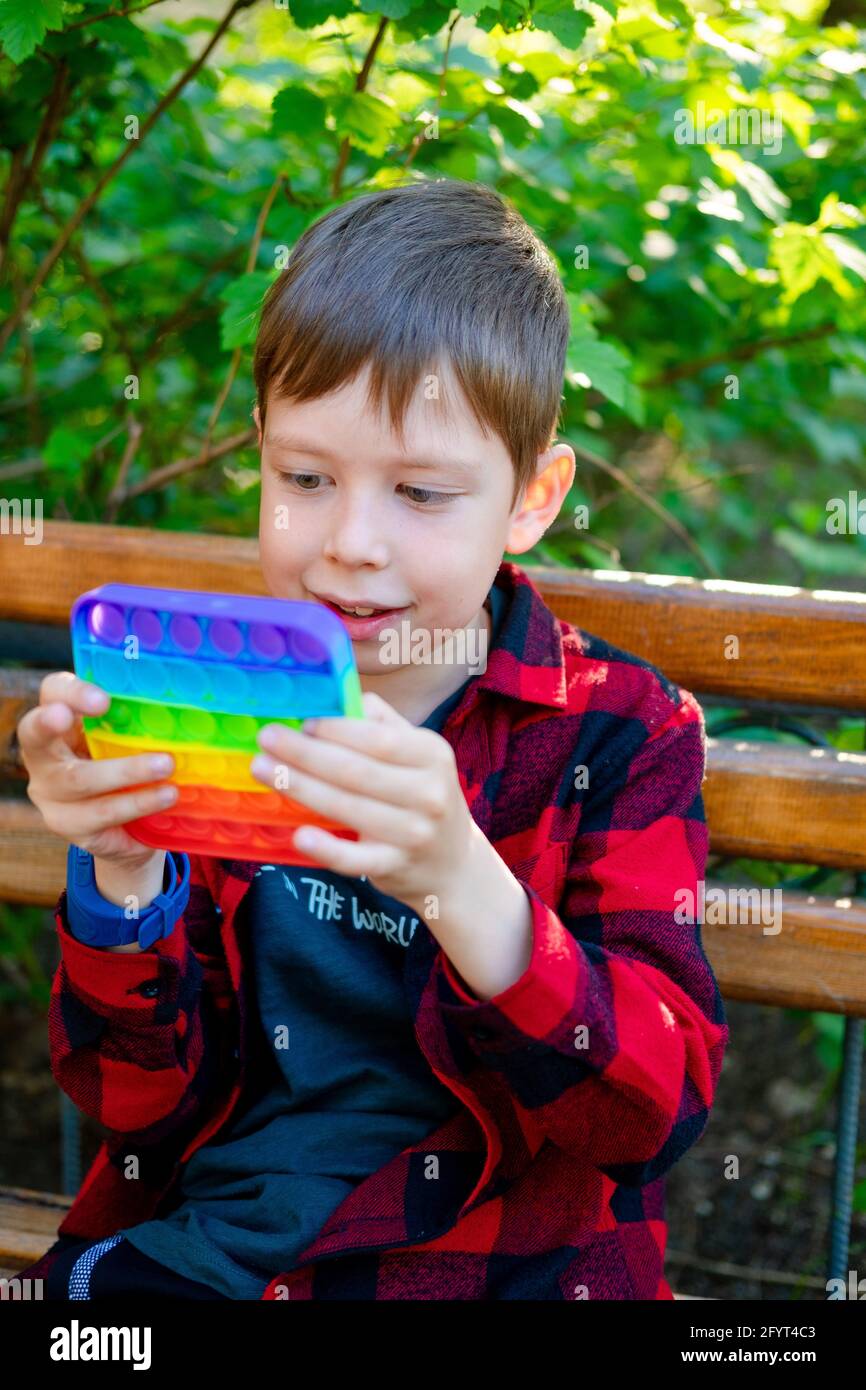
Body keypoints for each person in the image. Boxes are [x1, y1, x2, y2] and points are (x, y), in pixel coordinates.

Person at [16, 178, 728, 1301]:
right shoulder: (209, 704)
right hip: (218, 1258)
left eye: (421, 492)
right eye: (304, 478)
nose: (350, 541)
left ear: (532, 497)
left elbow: (649, 1110)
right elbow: (132, 1104)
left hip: (495, 1269)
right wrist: (122, 870)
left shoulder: (619, 731)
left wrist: (458, 877)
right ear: (258, 454)